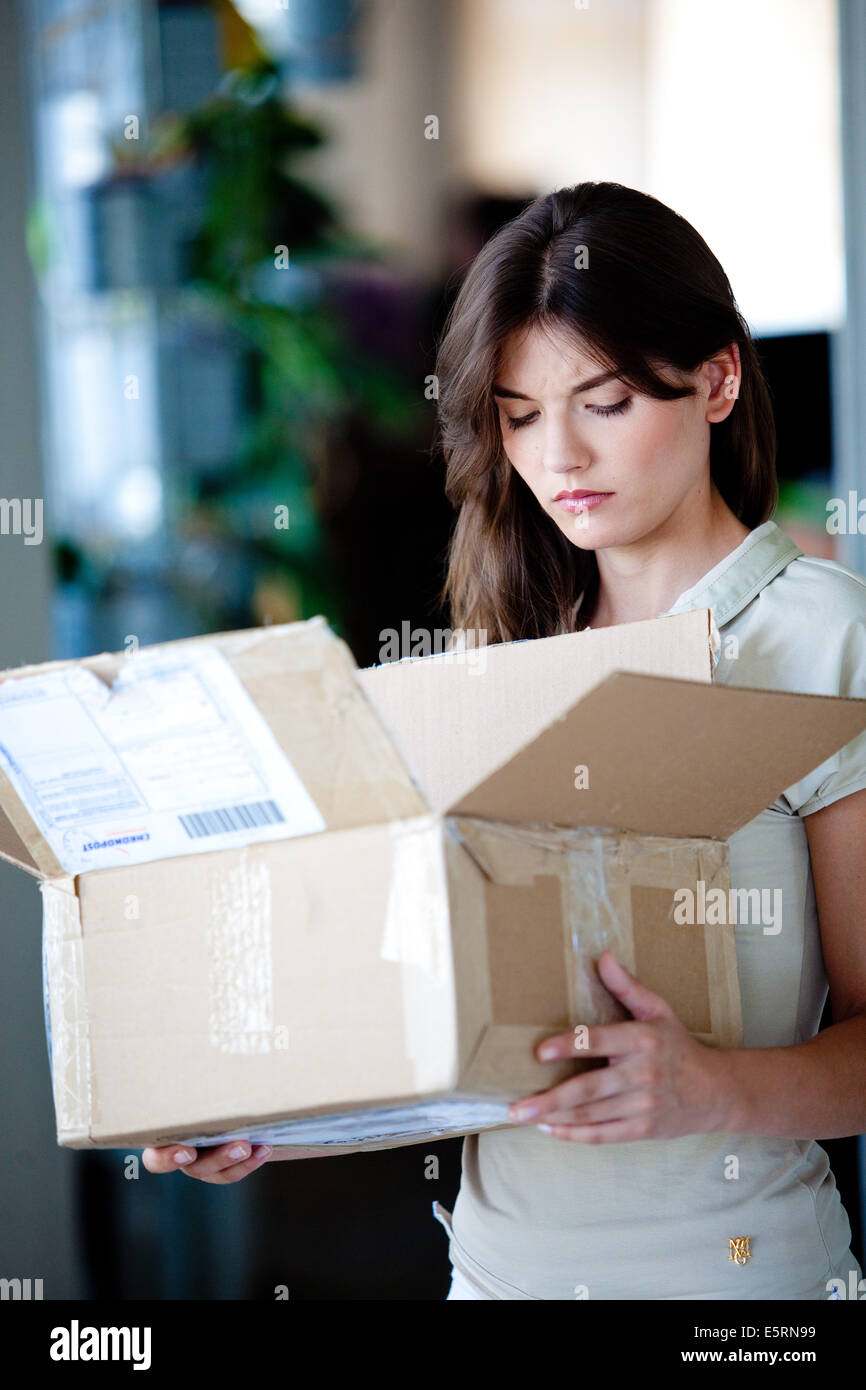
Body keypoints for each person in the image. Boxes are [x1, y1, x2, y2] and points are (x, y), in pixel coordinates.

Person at [144, 182, 866, 1302]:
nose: (559, 454)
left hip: (735, 1284)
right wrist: (272, 1110)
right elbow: (457, 1035)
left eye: (605, 400)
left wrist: (709, 1089)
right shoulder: (500, 657)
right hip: (491, 1273)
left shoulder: (823, 639)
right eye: (519, 414)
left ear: (717, 378)